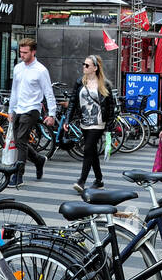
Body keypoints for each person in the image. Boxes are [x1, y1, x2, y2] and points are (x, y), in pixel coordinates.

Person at [8, 37, 56, 187]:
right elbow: (14, 91)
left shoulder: (41, 70)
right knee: (18, 142)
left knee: (21, 140)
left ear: (33, 52)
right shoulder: (17, 68)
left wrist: (52, 114)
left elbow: (48, 92)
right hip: (18, 109)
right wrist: (10, 110)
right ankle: (38, 160)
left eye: (25, 52)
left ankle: (18, 175)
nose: (22, 55)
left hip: (32, 109)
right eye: (20, 52)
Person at [65, 55, 116, 195]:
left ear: (95, 68)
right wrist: (67, 120)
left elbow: (111, 106)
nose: (84, 67)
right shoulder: (79, 82)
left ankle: (81, 181)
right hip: (84, 123)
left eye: (87, 65)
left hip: (98, 122)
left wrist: (110, 127)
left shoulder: (104, 84)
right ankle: (99, 180)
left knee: (88, 149)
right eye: (84, 64)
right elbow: (73, 102)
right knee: (92, 151)